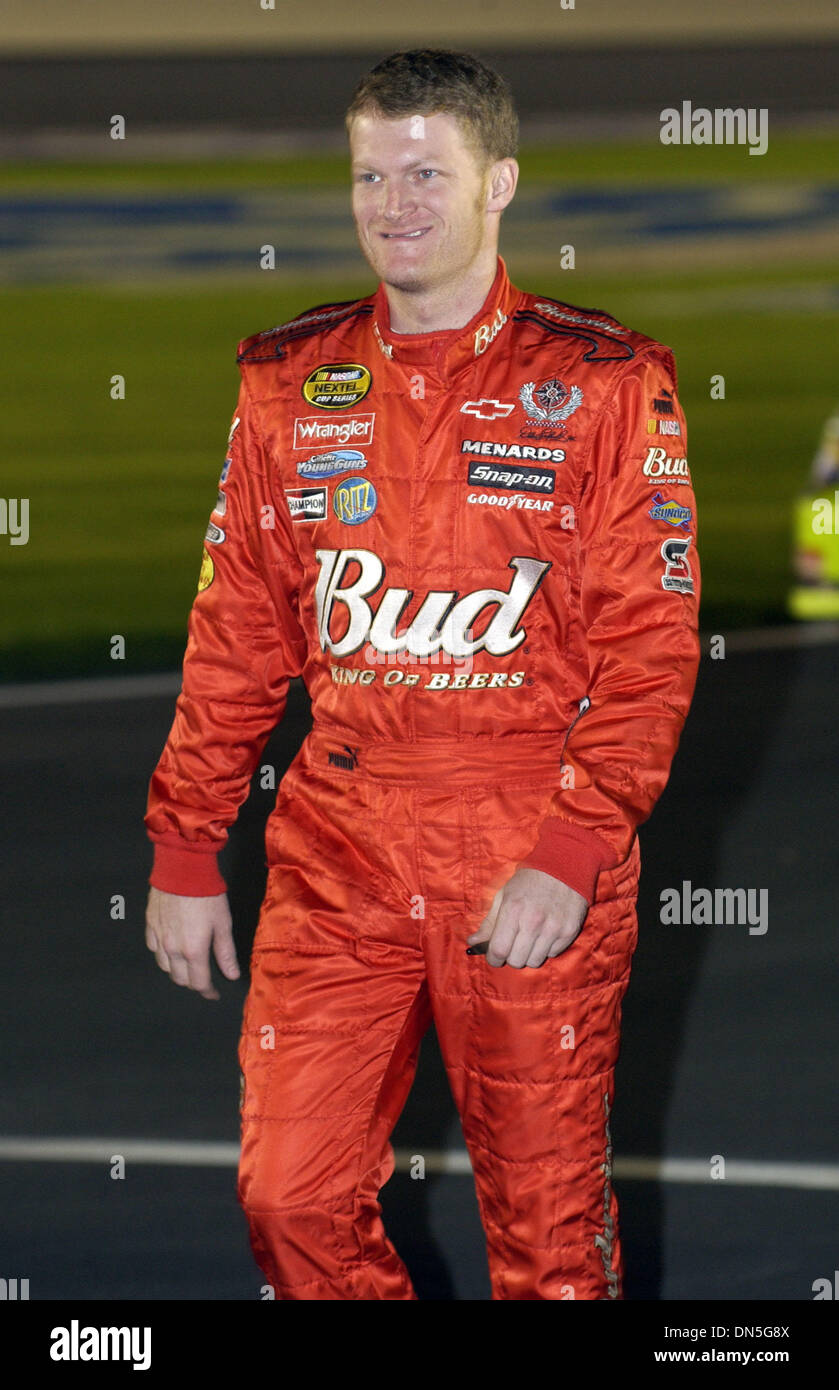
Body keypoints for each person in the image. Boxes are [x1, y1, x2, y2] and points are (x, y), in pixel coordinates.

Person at [144, 48, 701, 1301]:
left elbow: (649, 648)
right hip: (337, 838)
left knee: (548, 1238)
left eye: (424, 174)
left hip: (528, 829)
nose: (392, 203)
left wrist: (572, 847)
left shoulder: (606, 382)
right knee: (287, 1196)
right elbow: (237, 630)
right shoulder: (286, 382)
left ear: (497, 181)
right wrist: (187, 843)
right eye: (367, 175)